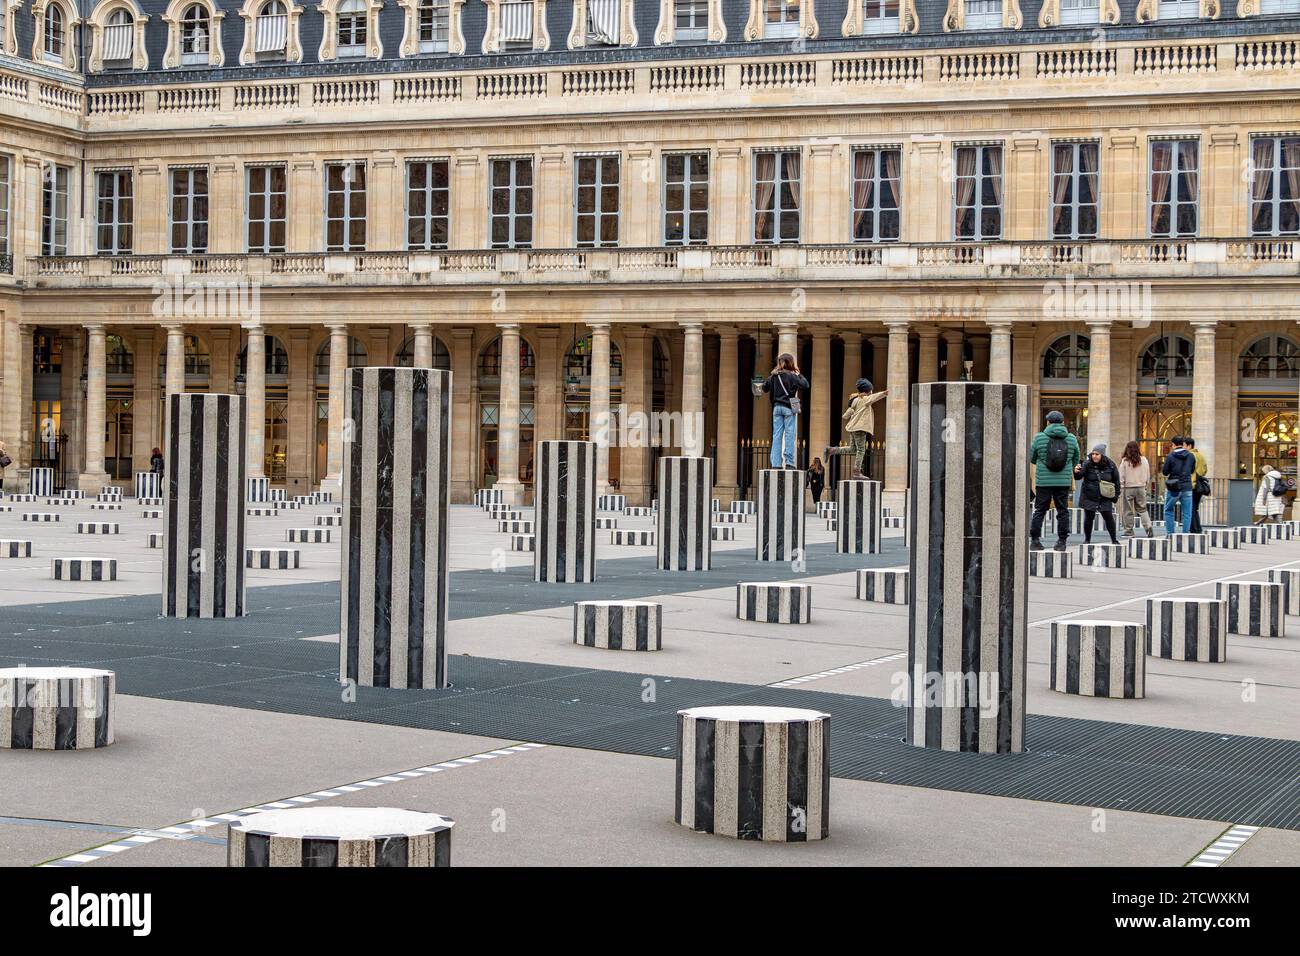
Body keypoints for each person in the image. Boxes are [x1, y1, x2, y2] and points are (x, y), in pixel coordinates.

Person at [1029, 410, 1082, 552]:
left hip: (1043, 482)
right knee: (1062, 511)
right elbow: (1076, 459)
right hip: (1063, 482)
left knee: (1040, 510)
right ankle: (1062, 541)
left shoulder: (1039, 438)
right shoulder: (1071, 439)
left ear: (1048, 422)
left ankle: (1035, 541)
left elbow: (1032, 458)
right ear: (1063, 422)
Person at [761, 353, 808, 470]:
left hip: (777, 408)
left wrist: (773, 374)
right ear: (791, 363)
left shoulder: (774, 376)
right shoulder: (792, 376)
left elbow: (764, 388)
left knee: (776, 435)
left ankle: (776, 463)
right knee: (789, 435)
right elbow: (805, 385)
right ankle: (789, 462)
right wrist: (799, 374)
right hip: (788, 408)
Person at [1074, 444, 1121, 545]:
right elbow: (1078, 477)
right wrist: (1076, 472)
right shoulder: (1087, 464)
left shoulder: (1111, 465)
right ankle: (1087, 539)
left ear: (1102, 455)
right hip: (1089, 495)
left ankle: (1114, 539)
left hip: (1105, 497)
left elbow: (1116, 481)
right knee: (1089, 518)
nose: (1094, 456)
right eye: (1093, 454)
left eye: (1097, 454)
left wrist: (1116, 495)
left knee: (1108, 518)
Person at [841, 378, 887, 480]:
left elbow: (846, 415)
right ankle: (857, 472)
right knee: (861, 450)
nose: (871, 392)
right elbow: (873, 398)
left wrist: (850, 414)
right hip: (860, 428)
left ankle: (832, 450)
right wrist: (883, 393)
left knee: (852, 449)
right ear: (868, 390)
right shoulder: (864, 399)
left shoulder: (855, 400)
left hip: (853, 428)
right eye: (870, 390)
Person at [1118, 441, 1153, 538]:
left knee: (1128, 510)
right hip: (1141, 487)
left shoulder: (1125, 461)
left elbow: (1121, 475)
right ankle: (1148, 526)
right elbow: (1148, 474)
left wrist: (1121, 486)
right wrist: (1145, 485)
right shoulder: (1144, 459)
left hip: (1128, 488)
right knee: (1142, 509)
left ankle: (1129, 531)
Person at [1161, 436, 1196, 534]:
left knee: (1168, 510)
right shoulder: (1191, 456)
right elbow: (1192, 470)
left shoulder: (1171, 456)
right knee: (1187, 513)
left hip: (1174, 487)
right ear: (1183, 444)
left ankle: (1170, 534)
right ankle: (1185, 534)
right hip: (1187, 487)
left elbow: (1165, 472)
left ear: (1173, 444)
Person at [1185, 436, 1208, 534]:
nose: (1183, 447)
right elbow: (1205, 470)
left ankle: (1195, 530)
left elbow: (1188, 471)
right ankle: (1197, 529)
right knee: (1195, 508)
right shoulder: (1201, 455)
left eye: (1184, 445)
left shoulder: (1190, 455)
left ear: (1189, 446)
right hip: (1199, 486)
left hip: (1192, 485)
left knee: (1191, 509)